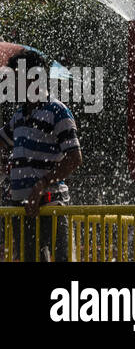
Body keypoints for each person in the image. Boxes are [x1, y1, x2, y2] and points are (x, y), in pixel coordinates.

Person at [1, 48, 82, 262]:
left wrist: (43, 184)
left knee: (61, 259)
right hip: (22, 208)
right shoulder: (19, 116)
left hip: (51, 205)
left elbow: (75, 158)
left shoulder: (57, 111)